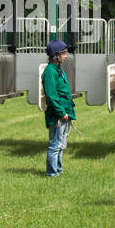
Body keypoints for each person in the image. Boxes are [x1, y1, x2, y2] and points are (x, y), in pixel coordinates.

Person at [42, 39, 76, 177]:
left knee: (61, 145)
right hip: (57, 114)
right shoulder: (50, 71)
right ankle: (52, 172)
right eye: (63, 53)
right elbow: (51, 95)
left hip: (64, 112)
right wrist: (61, 113)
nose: (65, 55)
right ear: (55, 55)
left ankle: (58, 169)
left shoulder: (58, 69)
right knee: (55, 145)